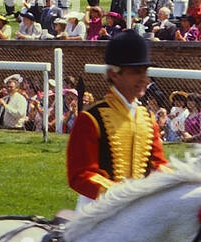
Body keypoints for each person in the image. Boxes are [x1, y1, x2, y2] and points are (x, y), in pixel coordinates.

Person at [66, 29, 167, 205]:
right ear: (114, 74)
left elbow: (158, 165)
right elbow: (80, 174)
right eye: (136, 72)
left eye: (145, 71)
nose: (144, 79)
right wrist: (123, 194)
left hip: (138, 208)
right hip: (98, 208)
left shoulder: (148, 119)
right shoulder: (91, 118)